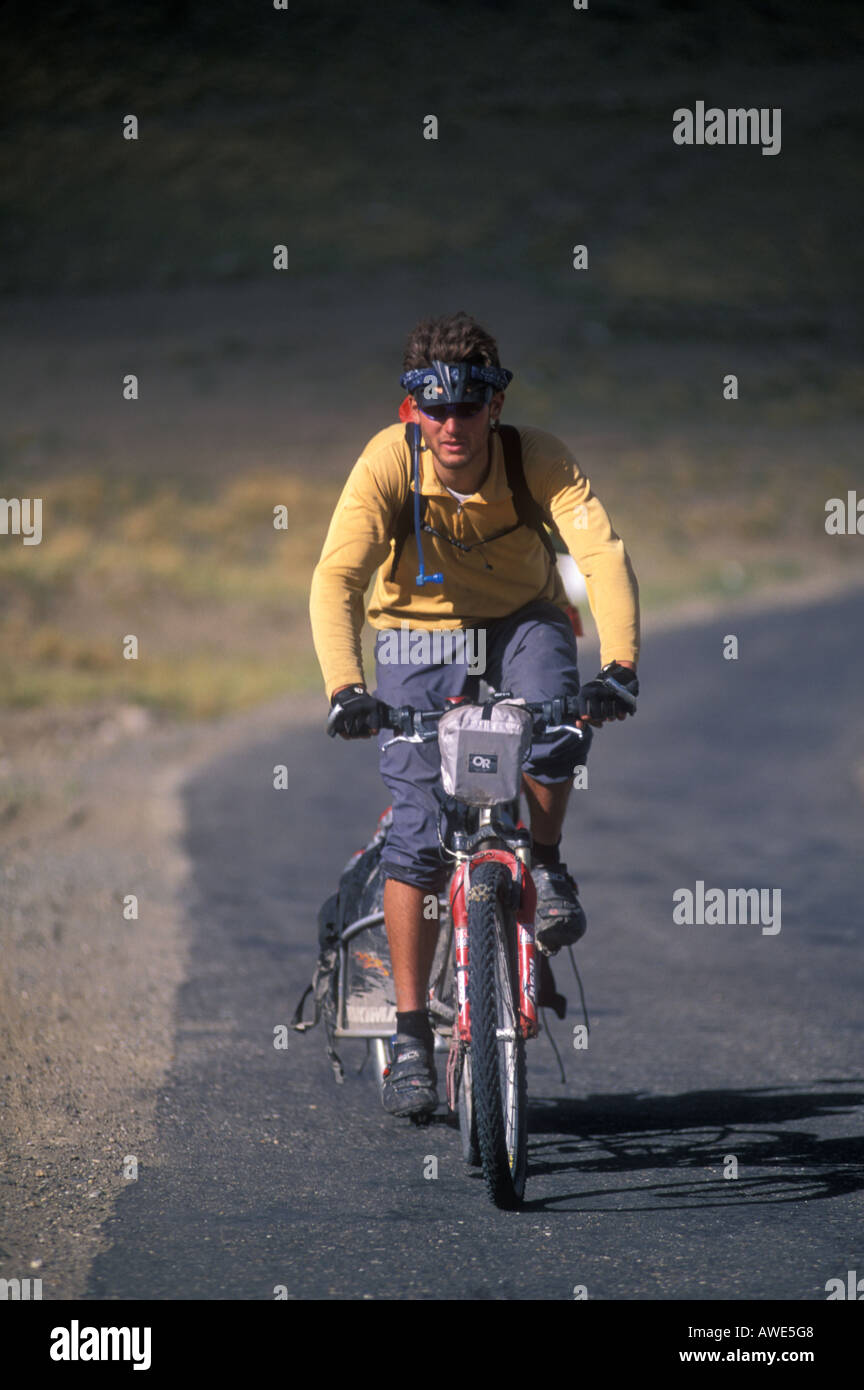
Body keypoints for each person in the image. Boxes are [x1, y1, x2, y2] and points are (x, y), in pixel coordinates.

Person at [310, 311, 639, 1117]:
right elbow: (337, 578)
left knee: (557, 727)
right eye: (435, 407)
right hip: (416, 635)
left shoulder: (539, 460)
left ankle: (549, 865)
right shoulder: (387, 464)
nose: (451, 423)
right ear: (410, 411)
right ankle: (414, 1038)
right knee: (421, 832)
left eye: (468, 406)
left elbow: (602, 555)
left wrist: (620, 667)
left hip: (523, 616)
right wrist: (346, 688)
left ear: (495, 404)